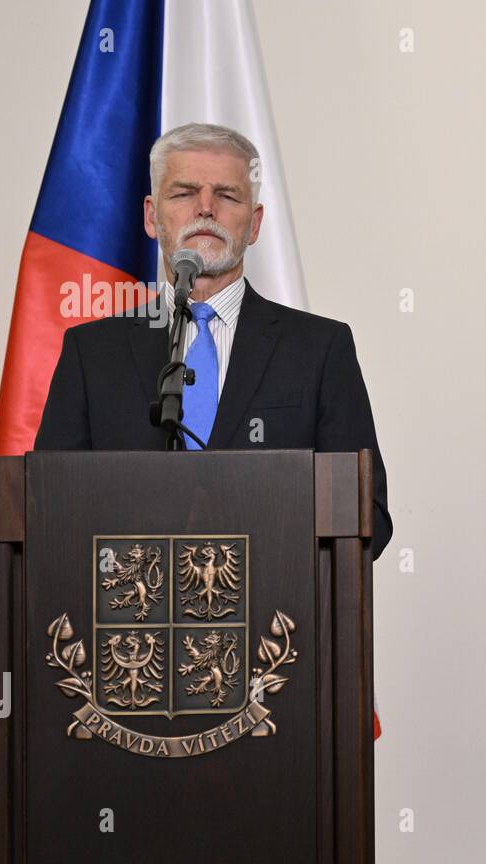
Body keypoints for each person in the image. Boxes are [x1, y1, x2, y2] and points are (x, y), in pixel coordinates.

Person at [34, 122, 392, 557]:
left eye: (226, 195)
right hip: (133, 614)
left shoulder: (320, 349)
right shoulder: (91, 354)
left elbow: (367, 514)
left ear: (255, 223)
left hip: (279, 615)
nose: (205, 209)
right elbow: (48, 506)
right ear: (151, 216)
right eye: (184, 193)